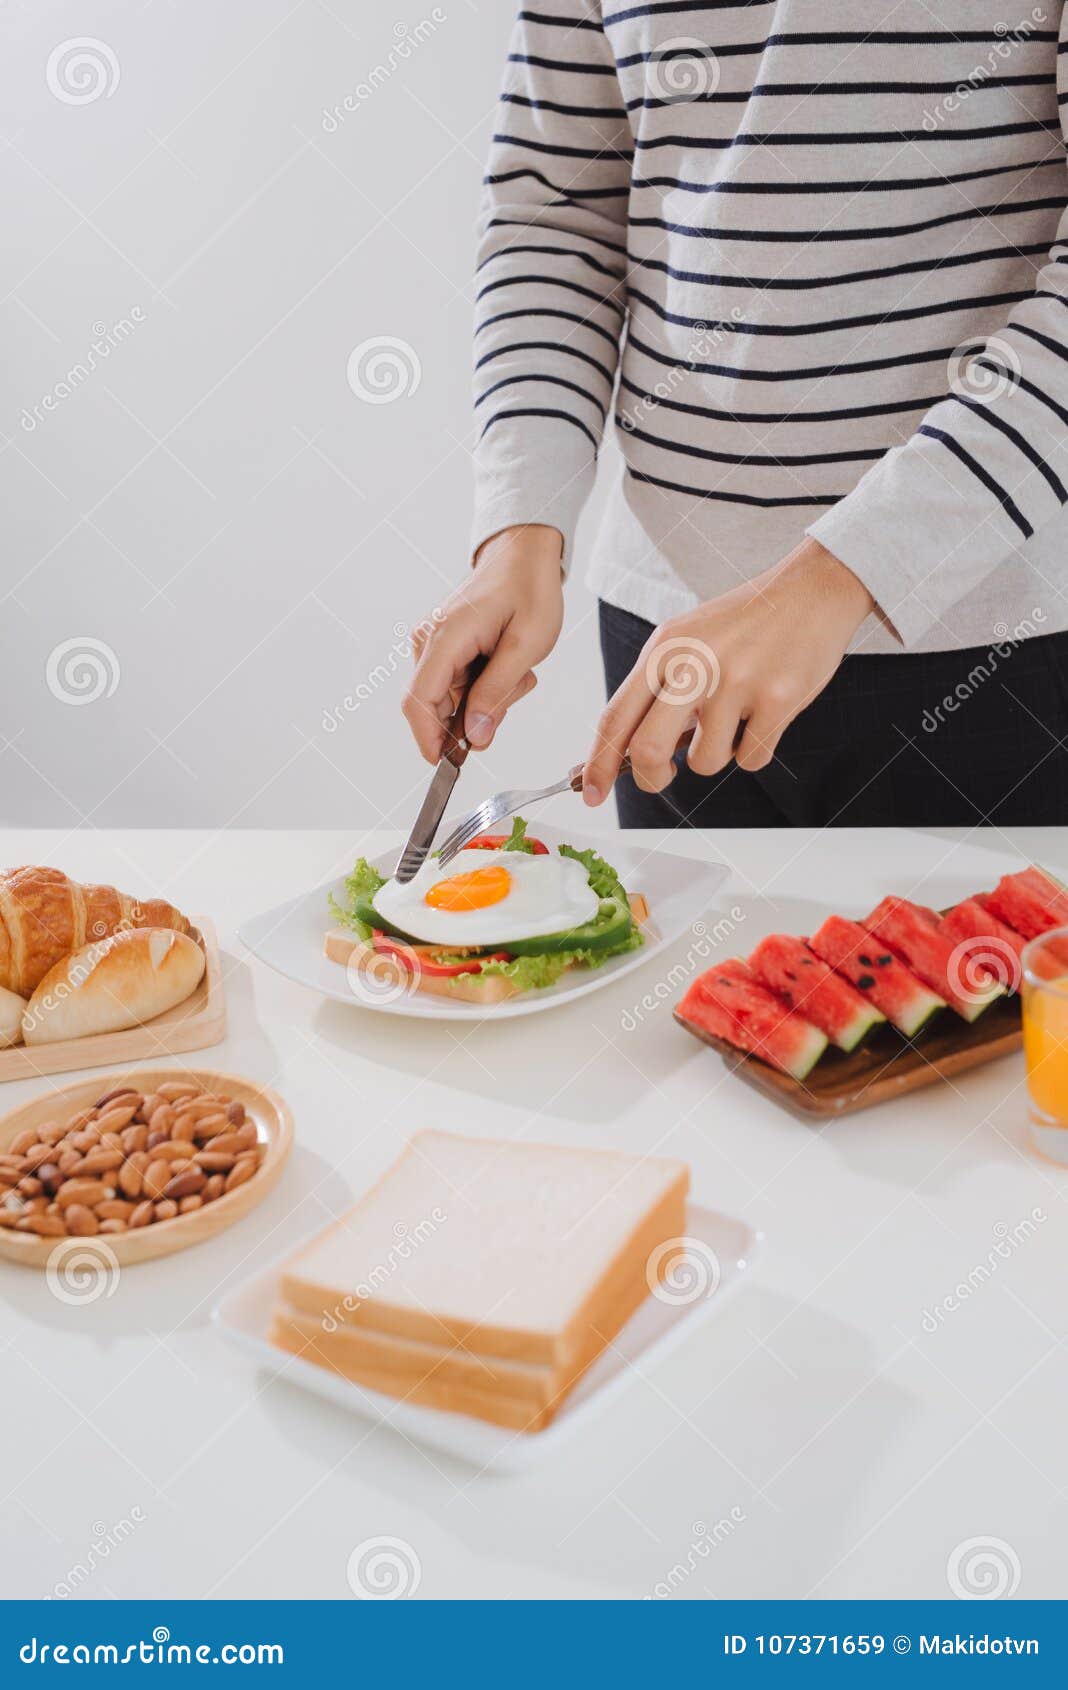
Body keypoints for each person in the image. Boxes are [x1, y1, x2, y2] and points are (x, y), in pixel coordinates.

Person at [404, 3, 1068, 826]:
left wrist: (846, 572)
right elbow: (558, 222)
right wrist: (522, 530)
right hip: (670, 640)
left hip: (1003, 637)